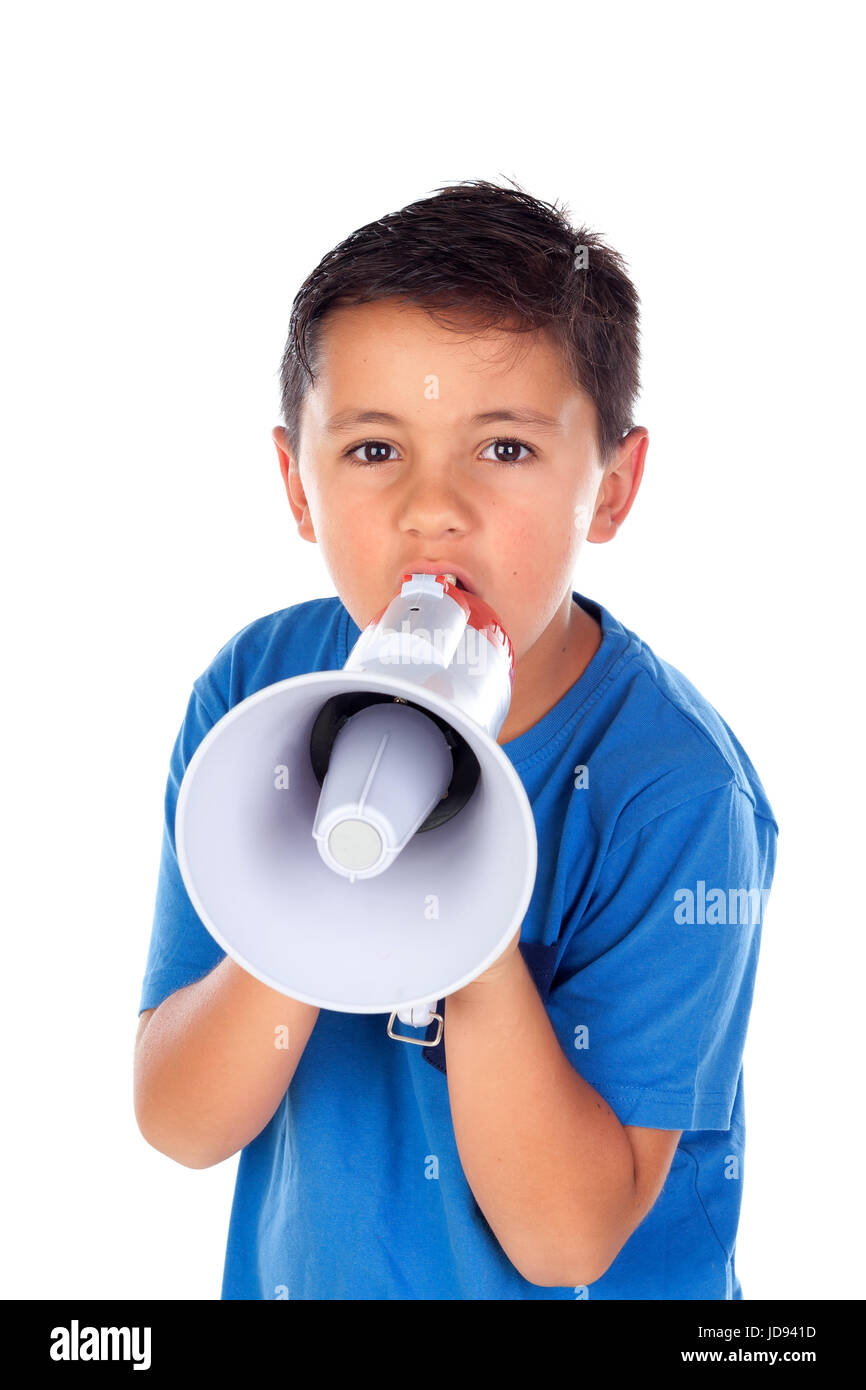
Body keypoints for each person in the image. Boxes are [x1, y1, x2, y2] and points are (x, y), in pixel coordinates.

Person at [134, 177, 778, 1300]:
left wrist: (458, 906)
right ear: (296, 482)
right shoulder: (255, 695)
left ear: (612, 488)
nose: (434, 509)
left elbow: (567, 1240)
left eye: (505, 451)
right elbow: (181, 1121)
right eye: (375, 452)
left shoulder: (671, 790)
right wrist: (320, 891)